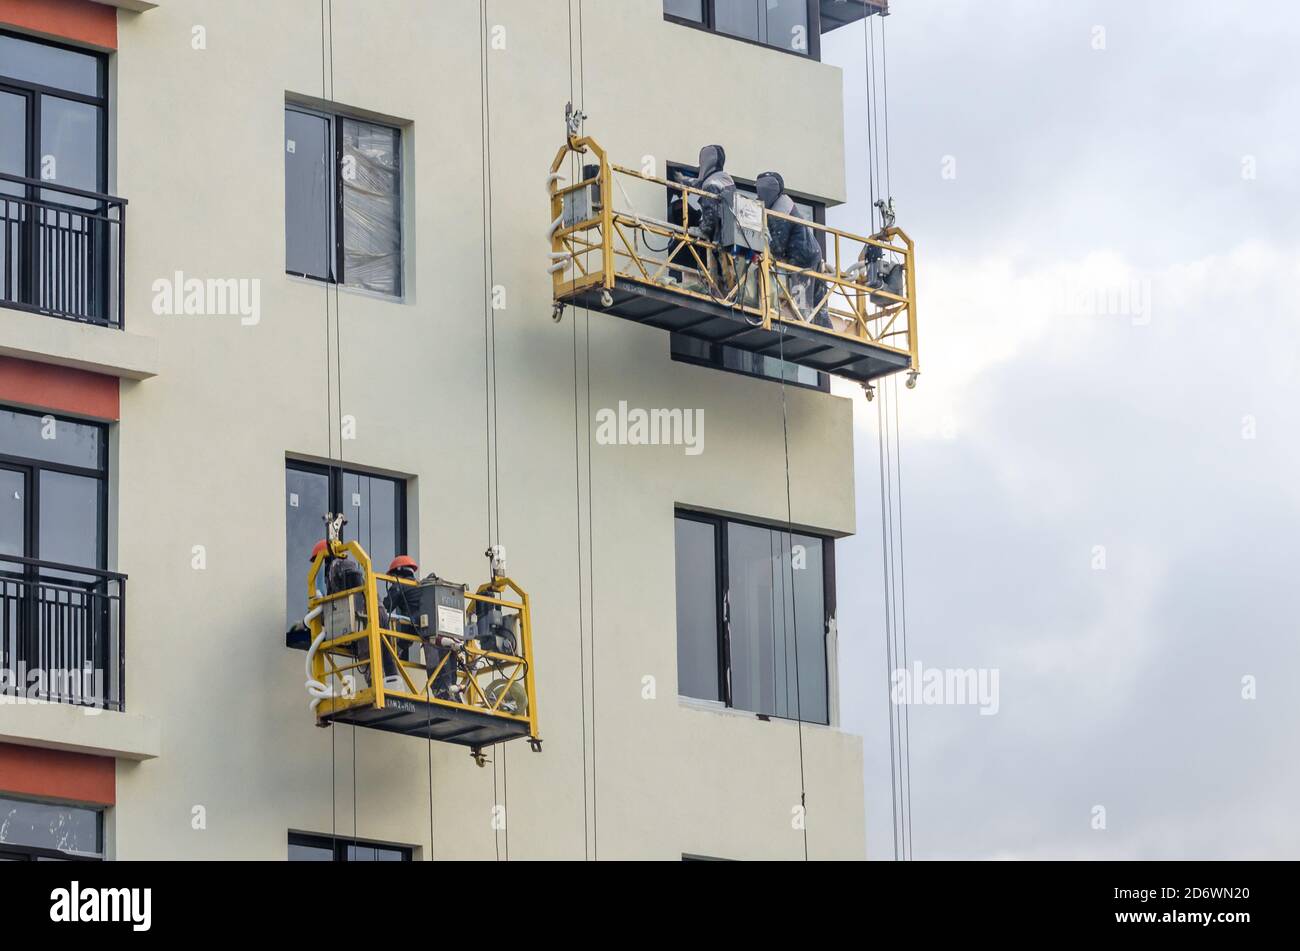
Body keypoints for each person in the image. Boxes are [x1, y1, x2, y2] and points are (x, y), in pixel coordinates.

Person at [756, 171, 829, 327]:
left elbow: (777, 248)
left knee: (801, 299)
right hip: (812, 253)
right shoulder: (783, 203)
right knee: (819, 302)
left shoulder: (779, 211)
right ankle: (825, 328)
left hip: (801, 258)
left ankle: (807, 326)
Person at [675, 145, 737, 291]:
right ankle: (728, 292)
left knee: (718, 278)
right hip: (730, 240)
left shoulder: (711, 185)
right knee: (729, 275)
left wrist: (699, 230)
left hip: (719, 242)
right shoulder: (725, 180)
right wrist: (683, 180)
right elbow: (700, 183)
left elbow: (710, 219)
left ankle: (717, 291)